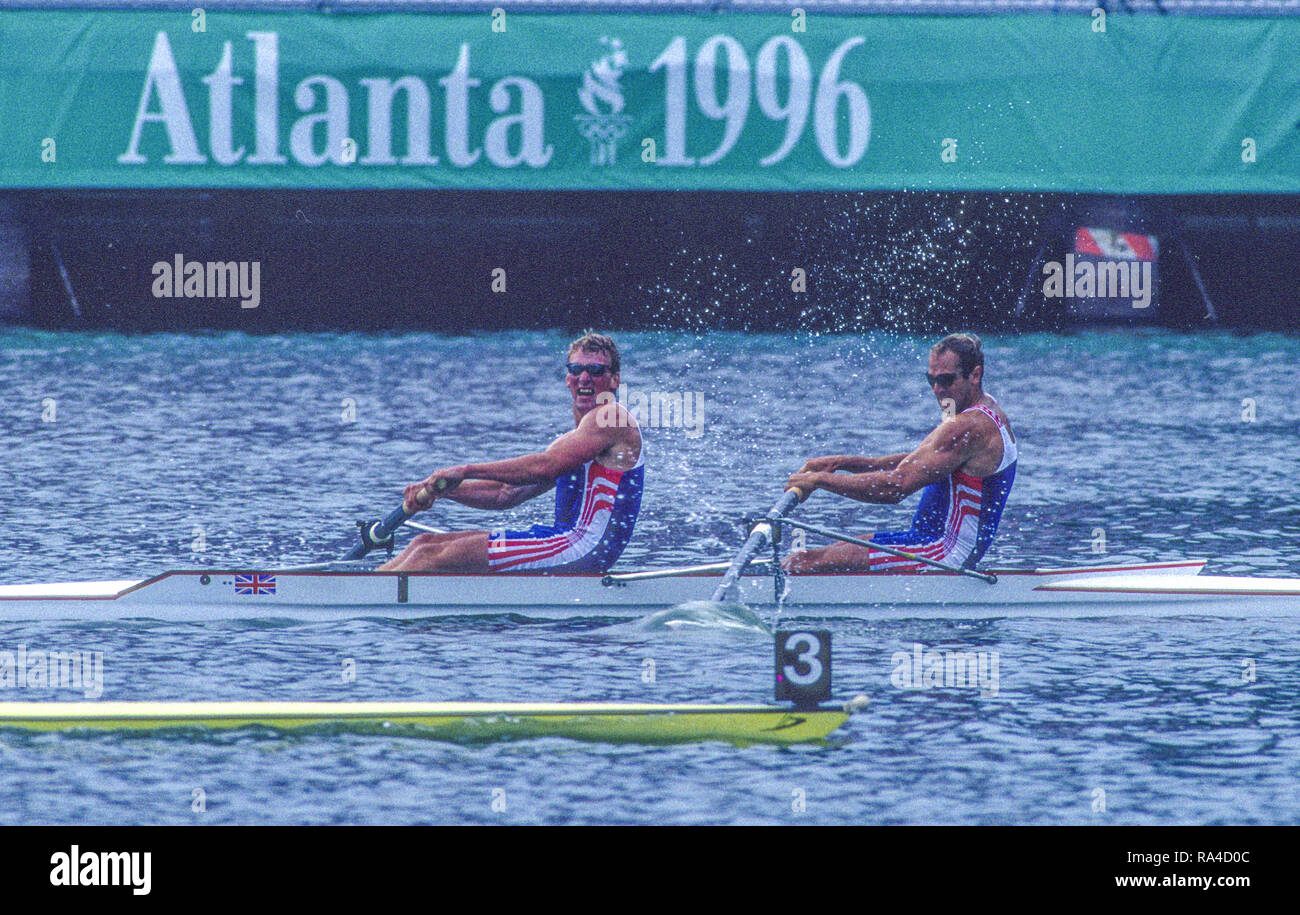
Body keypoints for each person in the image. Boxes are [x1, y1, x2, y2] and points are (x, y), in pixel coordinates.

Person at [378, 333, 643, 573]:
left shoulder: (612, 418)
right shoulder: (573, 443)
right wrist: (442, 490)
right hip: (561, 540)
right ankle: (374, 590)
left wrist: (466, 470)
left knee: (428, 555)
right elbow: (505, 492)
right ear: (567, 378)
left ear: (614, 379)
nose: (584, 377)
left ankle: (368, 607)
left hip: (582, 547)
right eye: (576, 369)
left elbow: (546, 466)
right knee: (422, 543)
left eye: (595, 370)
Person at [784, 332, 1016, 572]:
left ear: (975, 375)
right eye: (931, 380)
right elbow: (915, 462)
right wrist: (841, 463)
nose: (937, 390)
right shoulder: (980, 407)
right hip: (924, 540)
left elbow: (894, 488)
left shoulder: (970, 426)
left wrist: (819, 480)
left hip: (942, 554)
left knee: (801, 563)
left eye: (946, 381)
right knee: (810, 556)